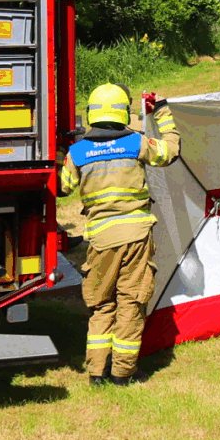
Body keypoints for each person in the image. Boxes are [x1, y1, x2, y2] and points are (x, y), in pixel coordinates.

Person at [58, 83, 181, 386]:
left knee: (102, 304)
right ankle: (123, 373)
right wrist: (162, 111)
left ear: (91, 114)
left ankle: (97, 373)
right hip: (137, 236)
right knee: (131, 303)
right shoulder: (137, 143)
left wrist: (62, 151)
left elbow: (62, 187)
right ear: (124, 112)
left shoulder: (78, 152)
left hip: (101, 239)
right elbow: (170, 152)